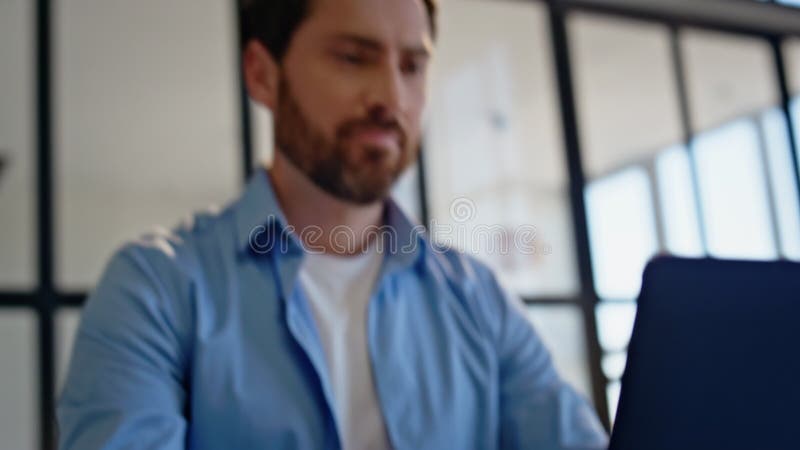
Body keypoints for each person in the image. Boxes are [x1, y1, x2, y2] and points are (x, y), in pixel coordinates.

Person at [57, 0, 608, 448]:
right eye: (353, 58)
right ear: (262, 75)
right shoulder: (153, 289)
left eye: (412, 66)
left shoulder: (481, 301)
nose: (392, 97)